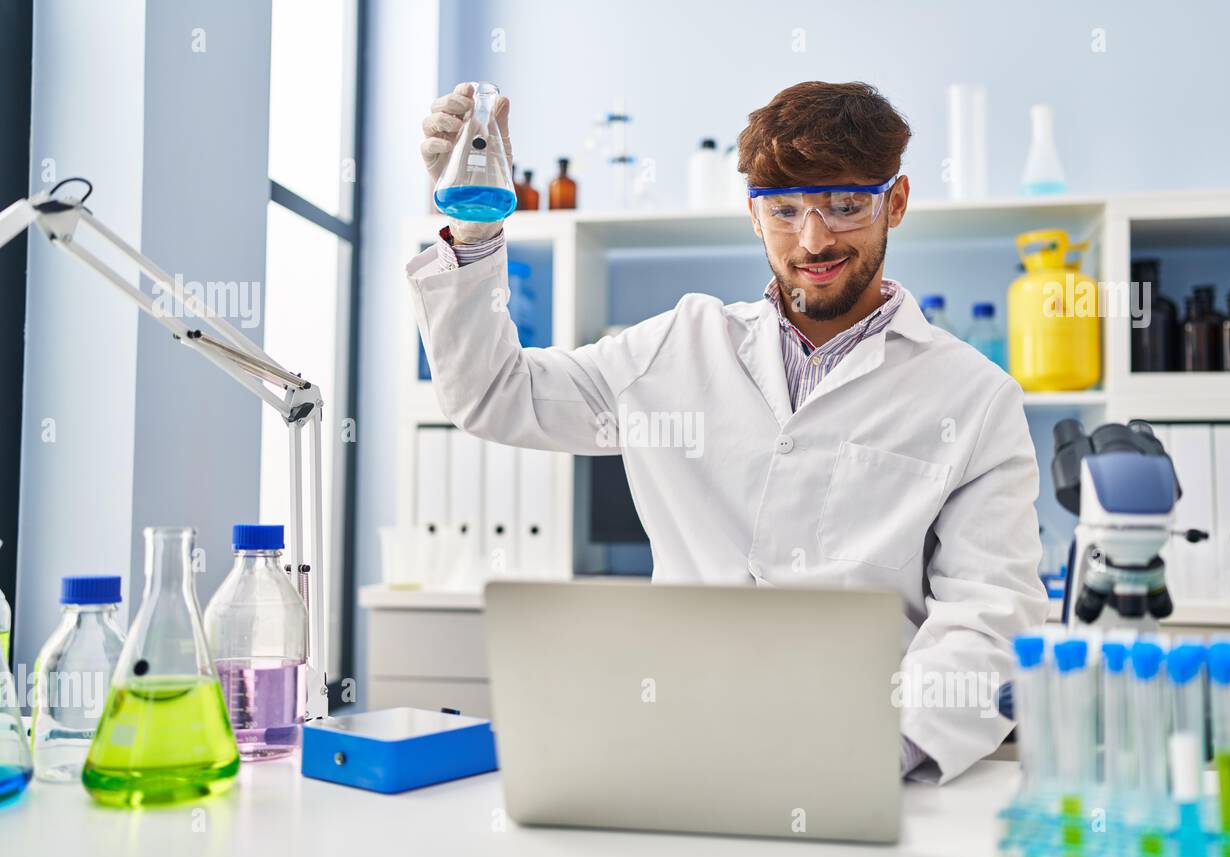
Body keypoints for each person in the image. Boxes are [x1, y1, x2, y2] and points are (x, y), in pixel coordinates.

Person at [410, 80, 1048, 783]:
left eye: (844, 205)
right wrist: (473, 234)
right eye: (785, 210)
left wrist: (872, 751)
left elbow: (989, 620)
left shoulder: (974, 397)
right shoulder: (678, 345)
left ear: (894, 202)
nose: (814, 239)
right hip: (678, 746)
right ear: (753, 215)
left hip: (863, 761)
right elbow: (495, 394)